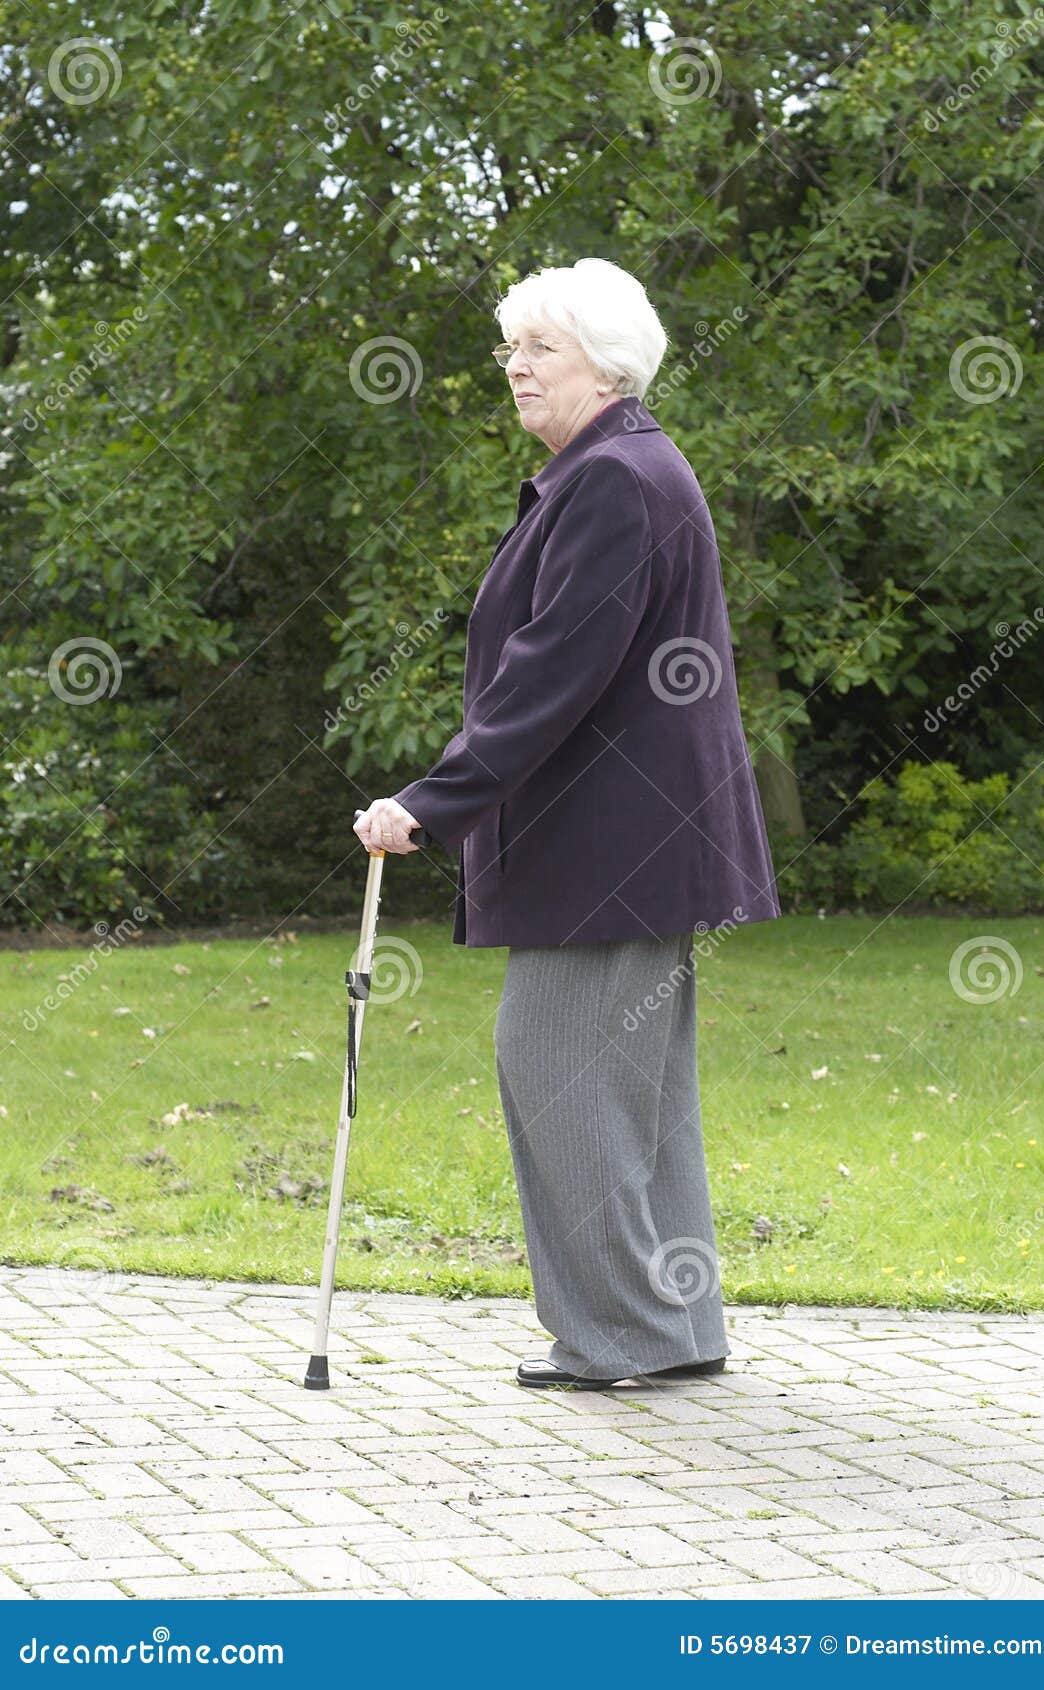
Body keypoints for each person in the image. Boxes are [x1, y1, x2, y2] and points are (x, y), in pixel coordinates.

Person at [353, 257, 780, 1389]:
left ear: (608, 361)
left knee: (556, 1069)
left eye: (538, 347)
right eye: (510, 348)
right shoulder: (622, 466)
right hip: (633, 849)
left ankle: (619, 1335)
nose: (514, 368)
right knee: (633, 1092)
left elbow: (551, 674)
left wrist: (428, 804)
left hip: (610, 852)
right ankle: (670, 1325)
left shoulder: (615, 479)